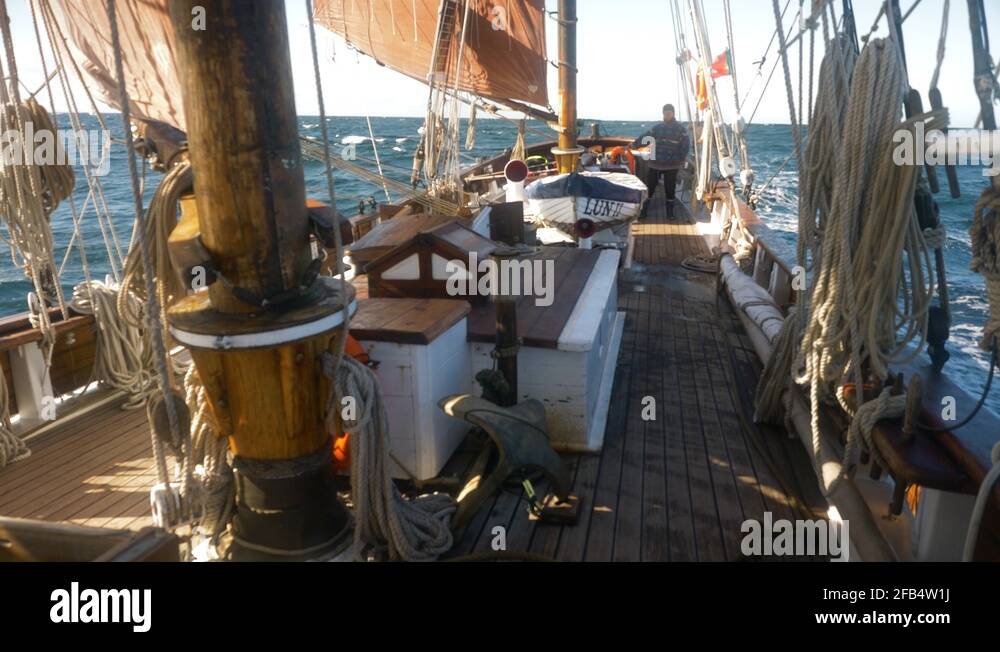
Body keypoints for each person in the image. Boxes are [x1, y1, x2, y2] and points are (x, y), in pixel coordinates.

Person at [631, 103, 690, 216]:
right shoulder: (657, 128)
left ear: (673, 114)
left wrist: (681, 158)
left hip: (672, 164)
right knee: (650, 187)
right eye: (666, 113)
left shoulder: (680, 130)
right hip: (656, 163)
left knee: (670, 189)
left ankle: (670, 213)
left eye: (669, 113)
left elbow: (685, 145)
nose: (667, 115)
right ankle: (643, 211)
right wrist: (634, 145)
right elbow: (646, 137)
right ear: (663, 114)